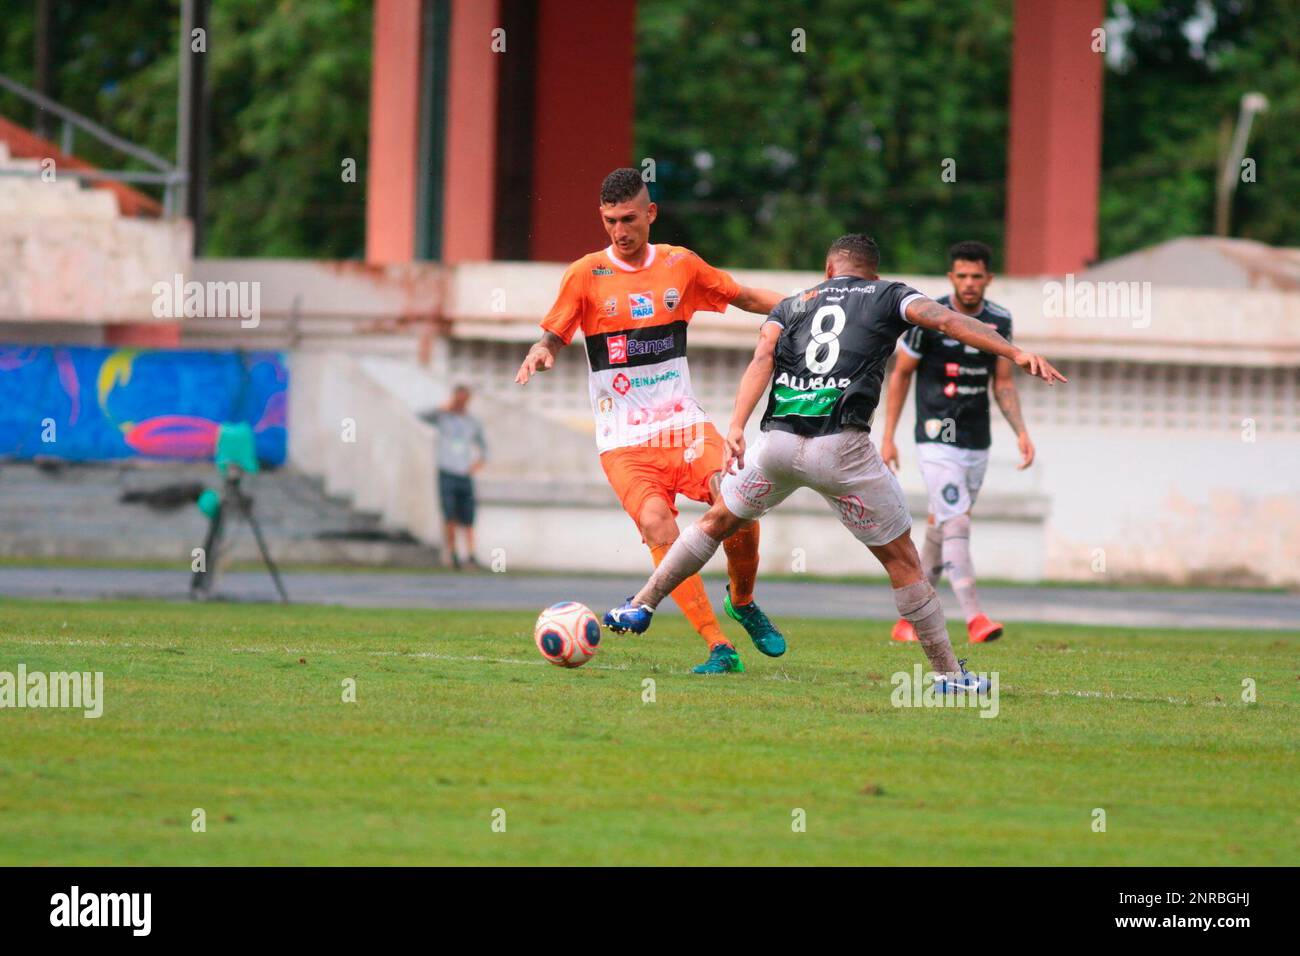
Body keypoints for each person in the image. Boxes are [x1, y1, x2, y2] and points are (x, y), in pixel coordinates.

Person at [603, 234, 1066, 690]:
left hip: (777, 442)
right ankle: (949, 677)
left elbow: (763, 357)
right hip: (840, 449)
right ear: (874, 272)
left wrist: (738, 425)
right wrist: (1013, 350)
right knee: (904, 561)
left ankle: (641, 603)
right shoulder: (889, 295)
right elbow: (944, 321)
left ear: (829, 270)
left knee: (717, 520)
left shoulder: (793, 302)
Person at [515, 167, 787, 674]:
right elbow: (554, 331)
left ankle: (743, 601)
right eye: (611, 220)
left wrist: (809, 305)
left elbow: (742, 296)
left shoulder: (680, 265)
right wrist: (542, 349)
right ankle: (718, 647)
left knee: (739, 500)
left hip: (682, 424)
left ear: (651, 214)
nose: (620, 230)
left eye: (629, 219)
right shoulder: (584, 274)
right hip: (624, 441)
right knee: (657, 522)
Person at [879, 240, 1033, 644]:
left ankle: (910, 619)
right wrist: (889, 436)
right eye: (961, 276)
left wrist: (1021, 432)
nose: (968, 283)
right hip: (934, 438)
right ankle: (974, 617)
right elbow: (901, 375)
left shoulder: (1000, 319)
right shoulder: (929, 316)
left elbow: (1002, 382)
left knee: (942, 524)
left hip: (975, 440)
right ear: (951, 277)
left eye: (976, 276)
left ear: (988, 279)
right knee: (958, 520)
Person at [420, 384, 486, 570]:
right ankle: (453, 554)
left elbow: (484, 447)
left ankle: (471, 555)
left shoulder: (473, 421)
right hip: (447, 472)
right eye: (458, 398)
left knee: (468, 517)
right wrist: (442, 407)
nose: (461, 402)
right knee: (450, 516)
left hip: (464, 473)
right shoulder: (442, 417)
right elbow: (421, 416)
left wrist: (477, 465)